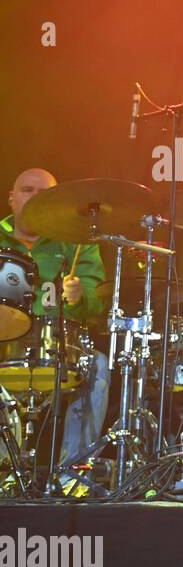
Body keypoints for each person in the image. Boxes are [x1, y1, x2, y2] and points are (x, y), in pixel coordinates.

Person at [0, 169, 109, 482]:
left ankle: (73, 479)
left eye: (44, 193)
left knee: (97, 366)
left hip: (57, 348)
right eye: (27, 190)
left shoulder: (76, 243)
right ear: (11, 198)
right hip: (4, 348)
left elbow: (97, 302)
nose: (35, 198)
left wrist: (80, 297)